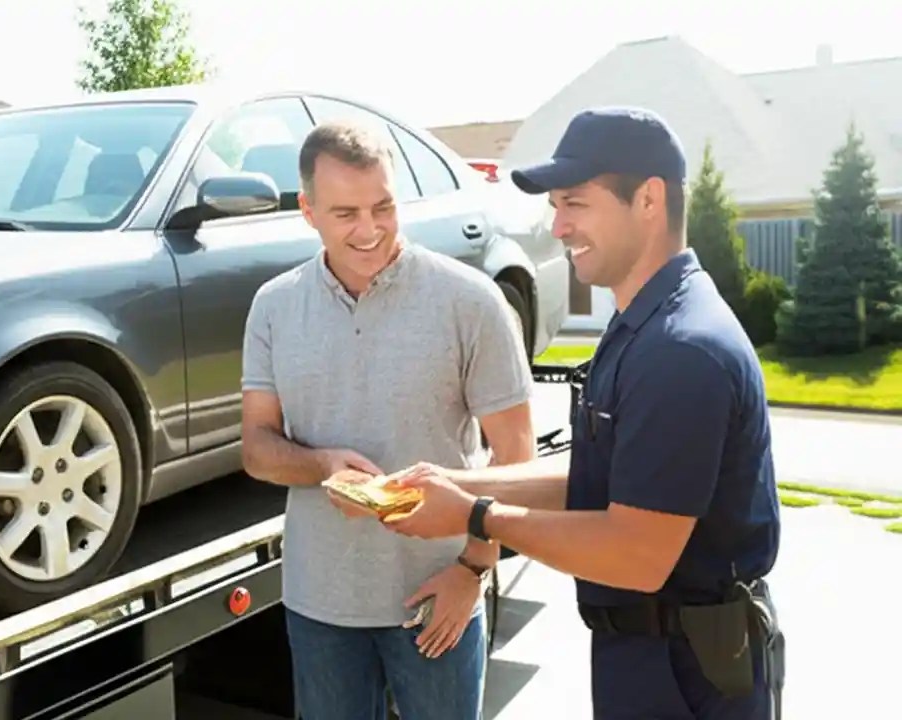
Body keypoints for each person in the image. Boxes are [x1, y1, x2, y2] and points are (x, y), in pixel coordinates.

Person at [380, 107, 785, 720]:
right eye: (556, 206)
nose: (558, 226)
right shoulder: (643, 325)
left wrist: (474, 515)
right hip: (652, 656)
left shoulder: (680, 349)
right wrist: (451, 482)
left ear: (648, 199)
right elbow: (605, 482)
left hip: (689, 674)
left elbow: (636, 553)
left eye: (575, 203)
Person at [239, 119, 537, 720]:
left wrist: (474, 570)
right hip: (320, 606)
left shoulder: (470, 301)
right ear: (308, 212)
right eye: (345, 213)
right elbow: (257, 448)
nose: (370, 229)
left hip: (439, 595)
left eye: (383, 206)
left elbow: (517, 460)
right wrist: (322, 465)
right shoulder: (274, 307)